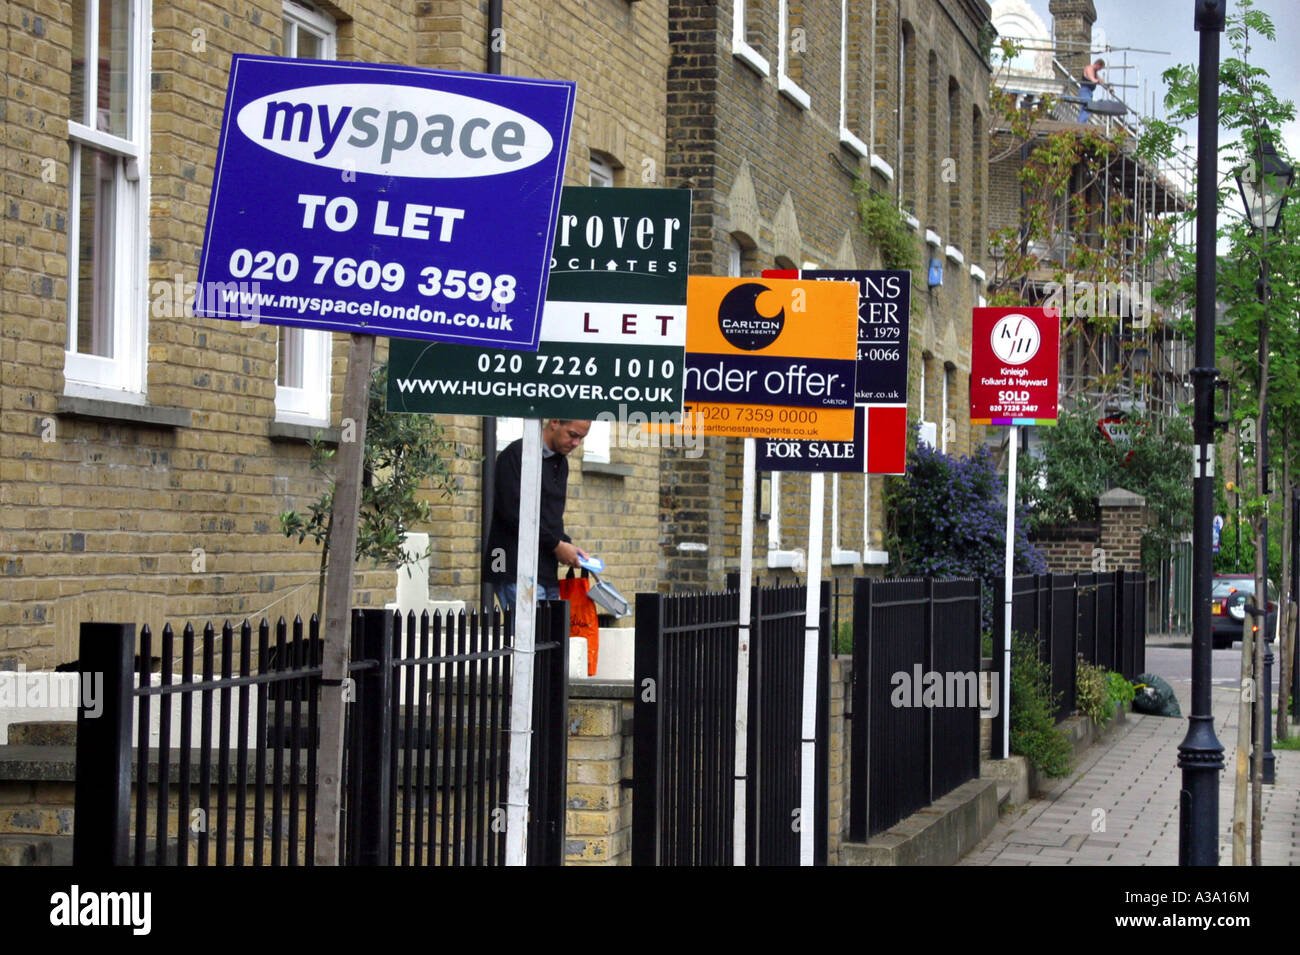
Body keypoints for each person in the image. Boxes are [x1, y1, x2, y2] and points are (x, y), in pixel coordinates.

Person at [484, 419, 590, 609]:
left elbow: (551, 518)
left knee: (546, 636)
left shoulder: (561, 463)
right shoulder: (517, 455)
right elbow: (514, 514)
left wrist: (567, 545)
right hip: (512, 566)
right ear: (555, 423)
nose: (576, 444)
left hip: (546, 570)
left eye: (581, 438)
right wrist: (557, 545)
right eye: (573, 435)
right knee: (531, 636)